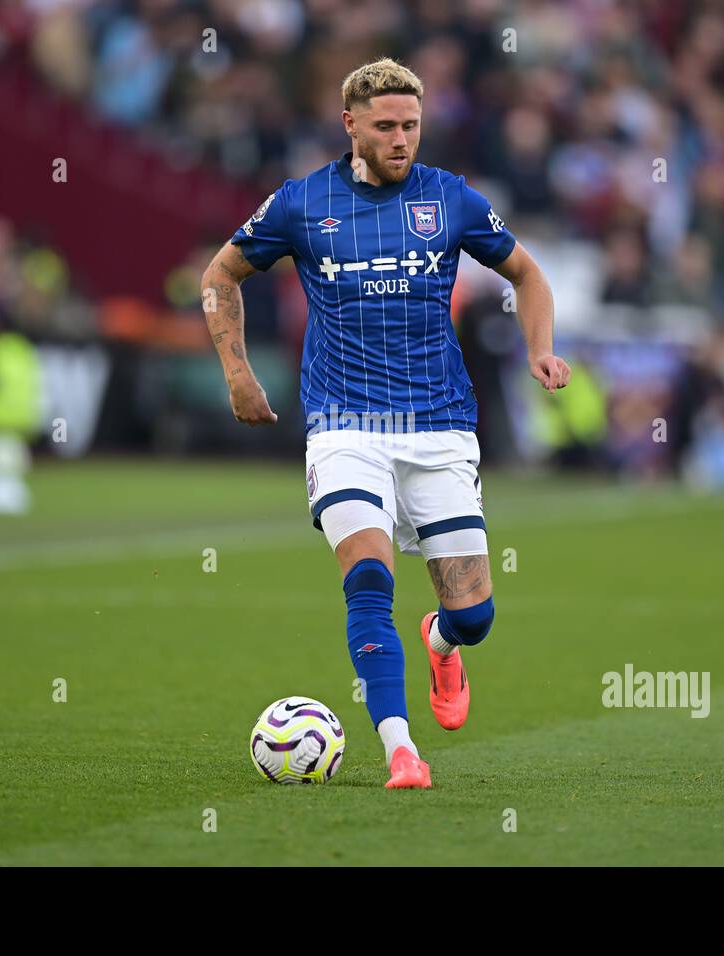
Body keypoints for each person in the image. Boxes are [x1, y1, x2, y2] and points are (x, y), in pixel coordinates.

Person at [201, 58, 569, 789]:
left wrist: (541, 349)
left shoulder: (451, 199)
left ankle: (442, 639)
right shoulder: (302, 204)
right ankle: (402, 749)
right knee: (369, 580)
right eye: (386, 127)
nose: (402, 139)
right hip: (344, 427)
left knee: (477, 617)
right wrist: (237, 371)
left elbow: (526, 273)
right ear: (350, 126)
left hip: (440, 427)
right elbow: (220, 277)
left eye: (411, 125)